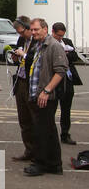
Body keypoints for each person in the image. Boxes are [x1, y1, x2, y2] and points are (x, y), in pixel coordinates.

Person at [23, 18, 69, 176]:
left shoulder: (53, 46)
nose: (33, 32)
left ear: (45, 29)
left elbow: (61, 70)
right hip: (37, 94)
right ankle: (54, 164)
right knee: (48, 130)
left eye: (36, 29)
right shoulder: (38, 45)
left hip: (46, 96)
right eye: (32, 30)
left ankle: (40, 164)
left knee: (41, 131)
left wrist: (47, 91)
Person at [7, 16, 35, 162]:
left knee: (34, 118)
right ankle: (29, 150)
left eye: (22, 31)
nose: (21, 35)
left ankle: (38, 152)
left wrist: (24, 55)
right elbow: (20, 62)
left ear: (28, 27)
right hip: (21, 80)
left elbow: (36, 61)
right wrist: (15, 58)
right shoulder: (21, 40)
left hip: (33, 83)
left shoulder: (37, 42)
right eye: (18, 32)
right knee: (23, 119)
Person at [51, 22, 81, 145]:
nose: (60, 38)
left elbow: (74, 56)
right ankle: (50, 136)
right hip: (53, 79)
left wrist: (66, 54)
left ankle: (65, 134)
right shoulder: (49, 42)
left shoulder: (67, 42)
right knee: (51, 109)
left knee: (66, 109)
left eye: (62, 36)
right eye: (58, 35)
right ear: (53, 32)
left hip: (67, 79)